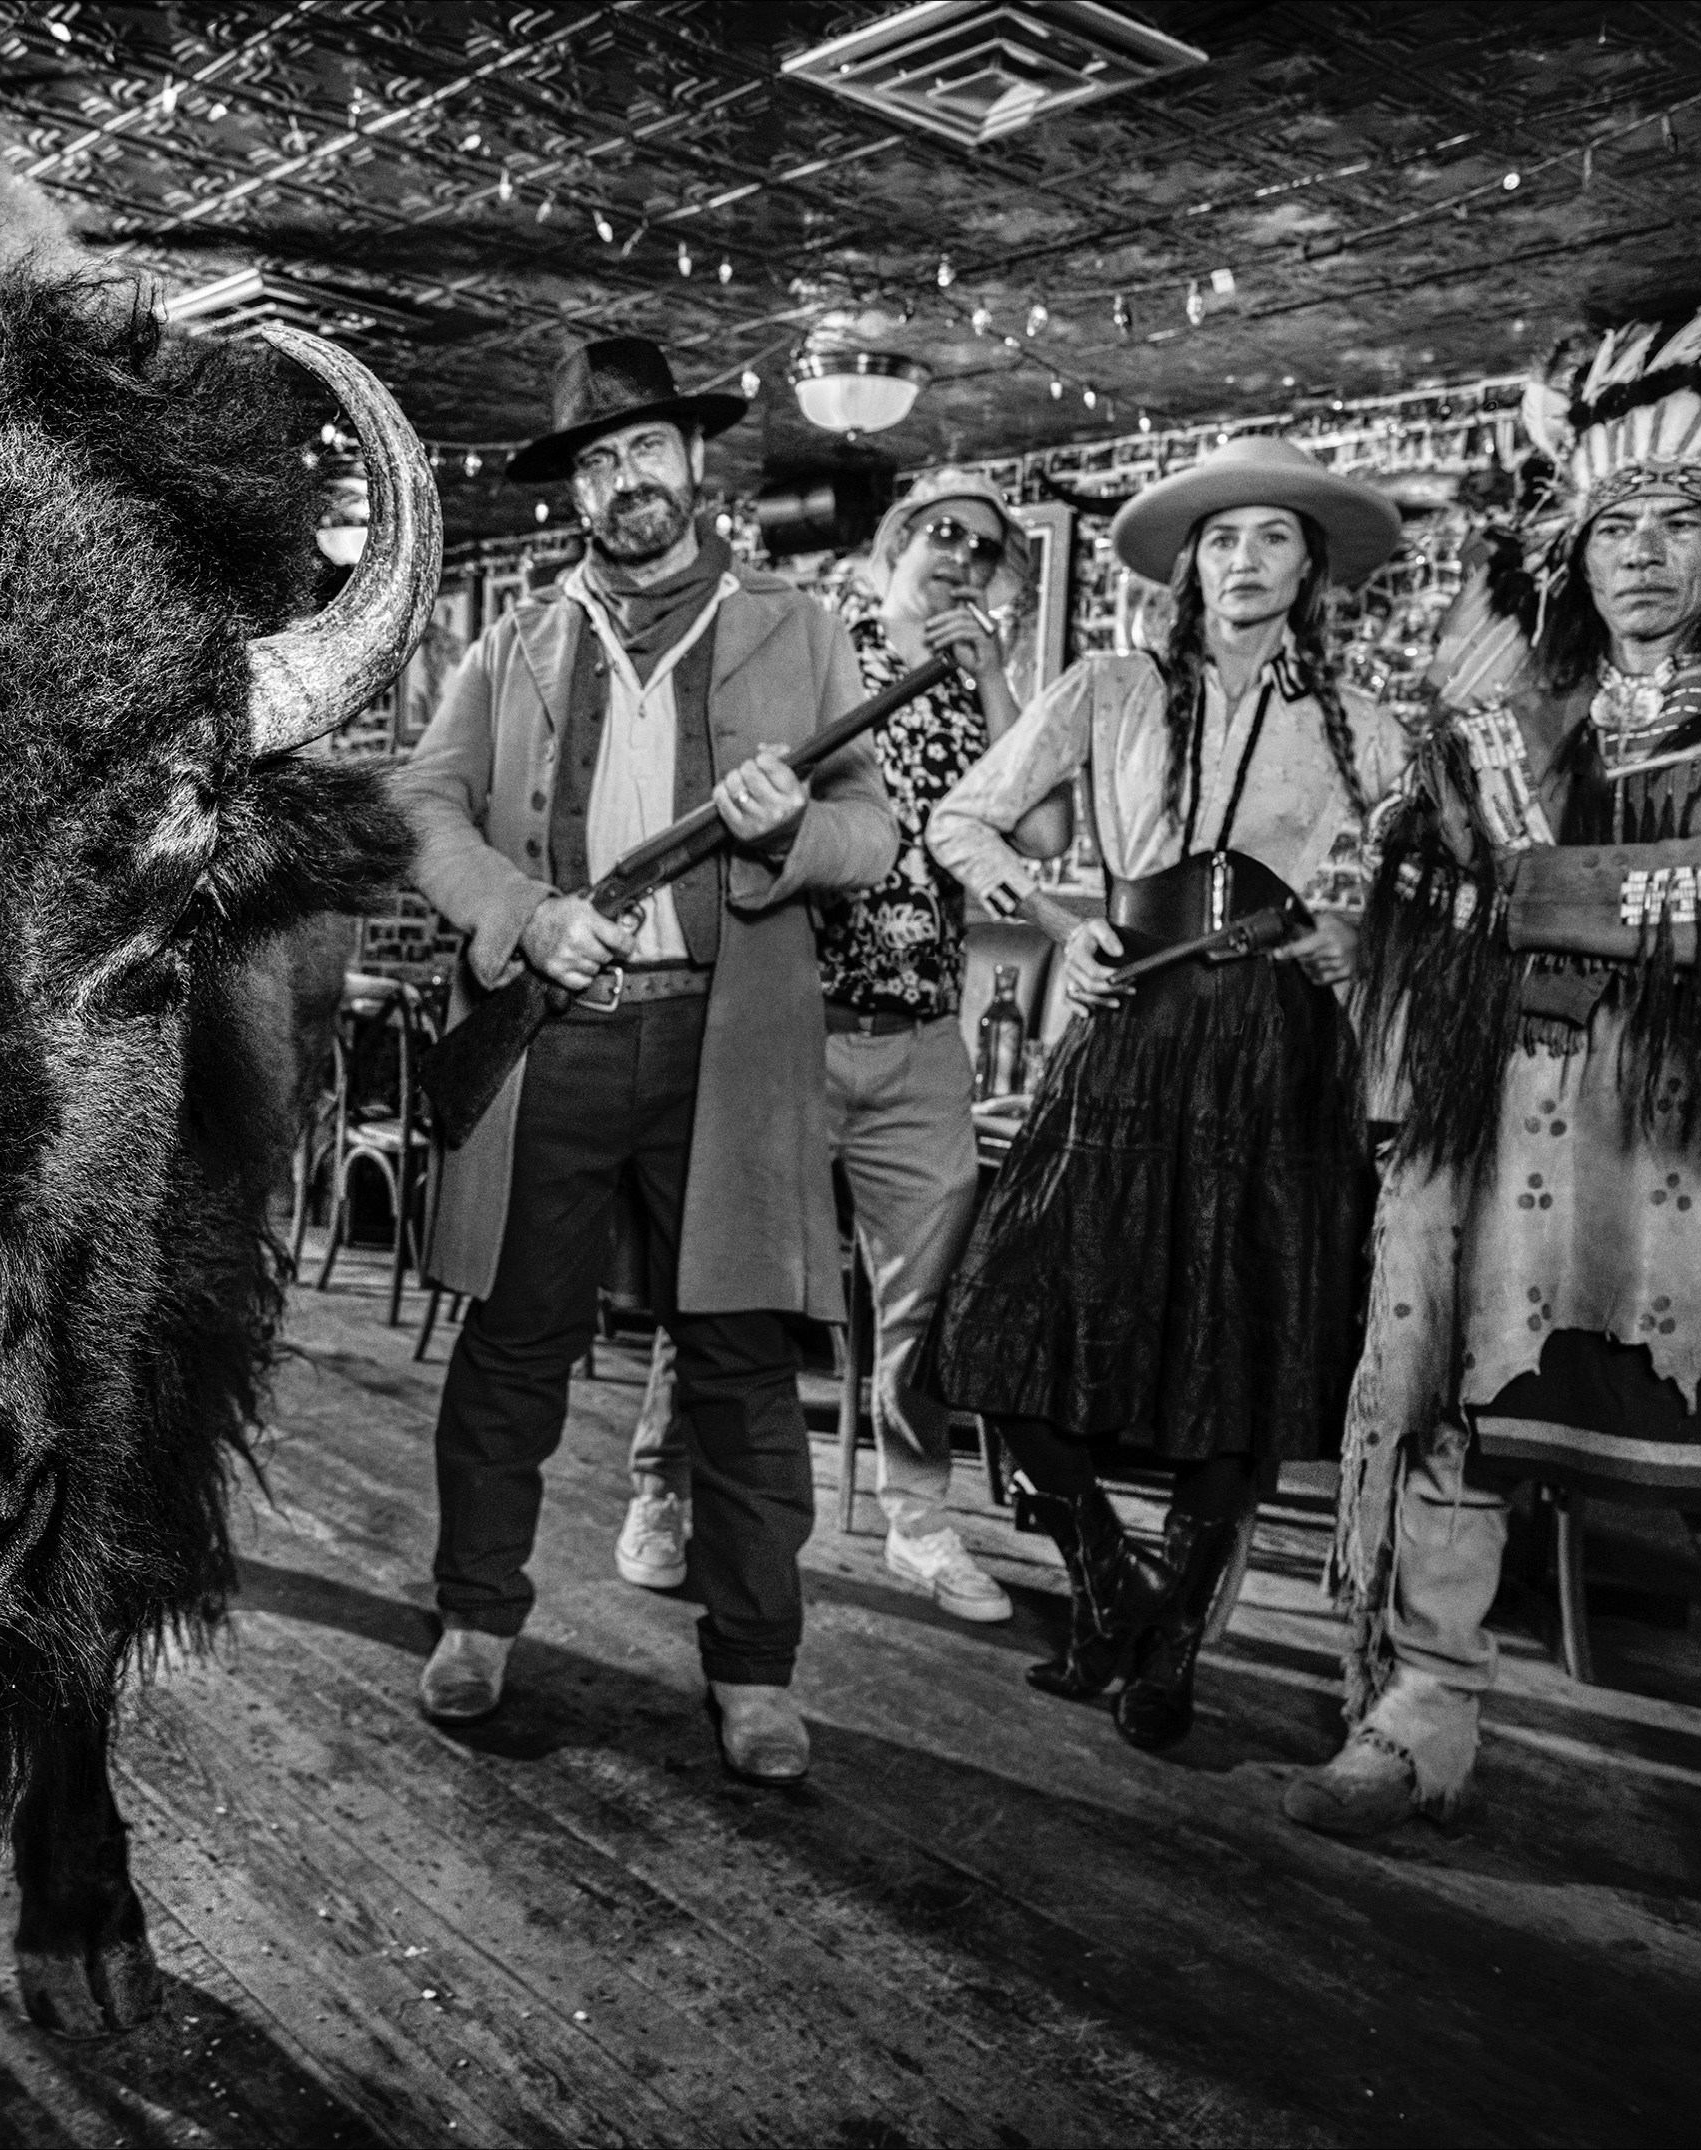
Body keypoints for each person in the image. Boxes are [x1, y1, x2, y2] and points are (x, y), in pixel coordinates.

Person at [1287, 303, 1701, 2034]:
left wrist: (1547, 883)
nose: (1640, 554)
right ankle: (1414, 1722)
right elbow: (1425, 891)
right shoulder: (1522, 721)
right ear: (1568, 559)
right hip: (1508, 1131)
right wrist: (1436, 834)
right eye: (1611, 528)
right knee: (1449, 1428)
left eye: (1677, 524)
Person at [392, 335, 899, 1784]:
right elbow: (423, 803)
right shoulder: (513, 643)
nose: (627, 480)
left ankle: (754, 1668)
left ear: (695, 461)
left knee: (738, 1366)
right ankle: (476, 1618)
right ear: (579, 489)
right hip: (554, 1040)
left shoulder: (796, 629)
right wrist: (525, 914)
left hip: (723, 1045)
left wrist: (788, 830)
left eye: (647, 452)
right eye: (599, 460)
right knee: (511, 1348)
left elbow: (872, 833)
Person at [923, 435, 1406, 1753]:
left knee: (1238, 1338)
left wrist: (1362, 931)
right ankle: (1110, 1585)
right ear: (1189, 565)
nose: (1246, 560)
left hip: (1275, 1044)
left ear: (1308, 568)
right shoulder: (1110, 684)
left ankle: (1172, 1635)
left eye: (1273, 538)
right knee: (999, 1316)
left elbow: (1434, 877)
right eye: (1222, 538)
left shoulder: (1363, 723)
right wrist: (1056, 920)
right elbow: (962, 820)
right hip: (1126, 1024)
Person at [619, 470, 1050, 1626]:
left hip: (920, 1039)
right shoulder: (817, 652)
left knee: (923, 1301)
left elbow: (1046, 826)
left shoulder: (980, 690)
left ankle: (918, 1516)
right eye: (940, 532)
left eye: (985, 547)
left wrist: (994, 677)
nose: (960, 555)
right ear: (893, 544)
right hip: (788, 1026)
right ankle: (661, 1485)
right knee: (728, 1274)